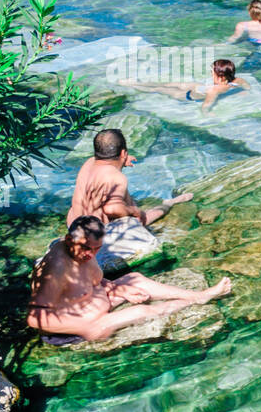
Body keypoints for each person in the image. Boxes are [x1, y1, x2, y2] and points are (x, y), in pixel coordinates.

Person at [27, 216, 231, 342]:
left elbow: (88, 281)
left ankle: (198, 296)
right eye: (86, 248)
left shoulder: (84, 252)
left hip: (95, 301)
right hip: (86, 324)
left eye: (96, 248)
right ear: (70, 240)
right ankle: (197, 300)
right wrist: (87, 327)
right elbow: (36, 318)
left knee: (136, 279)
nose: (91, 254)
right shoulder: (56, 268)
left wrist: (117, 288)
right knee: (144, 310)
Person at [66, 129, 192, 228]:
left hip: (74, 222)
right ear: (123, 153)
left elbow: (105, 169)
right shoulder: (117, 177)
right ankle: (170, 202)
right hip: (94, 231)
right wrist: (134, 211)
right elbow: (111, 209)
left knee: (117, 195)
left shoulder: (89, 162)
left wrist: (123, 159)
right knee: (149, 215)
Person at [122, 57, 250, 113]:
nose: (210, 74)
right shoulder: (236, 80)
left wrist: (207, 114)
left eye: (212, 73)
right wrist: (245, 92)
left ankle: (133, 84)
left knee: (159, 88)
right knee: (166, 84)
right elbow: (246, 84)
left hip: (186, 95)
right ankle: (136, 82)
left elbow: (206, 106)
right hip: (195, 86)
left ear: (220, 76)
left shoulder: (214, 90)